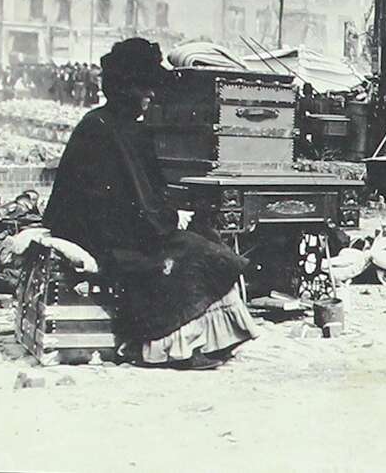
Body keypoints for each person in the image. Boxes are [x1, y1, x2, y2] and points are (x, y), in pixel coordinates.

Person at [43, 38, 259, 370]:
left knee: (208, 243)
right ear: (127, 88)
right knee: (191, 253)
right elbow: (106, 204)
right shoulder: (100, 129)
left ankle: (209, 338)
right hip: (103, 235)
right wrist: (164, 222)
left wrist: (167, 217)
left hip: (127, 226)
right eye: (145, 88)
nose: (151, 96)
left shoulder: (125, 127)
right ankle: (175, 349)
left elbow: (142, 193)